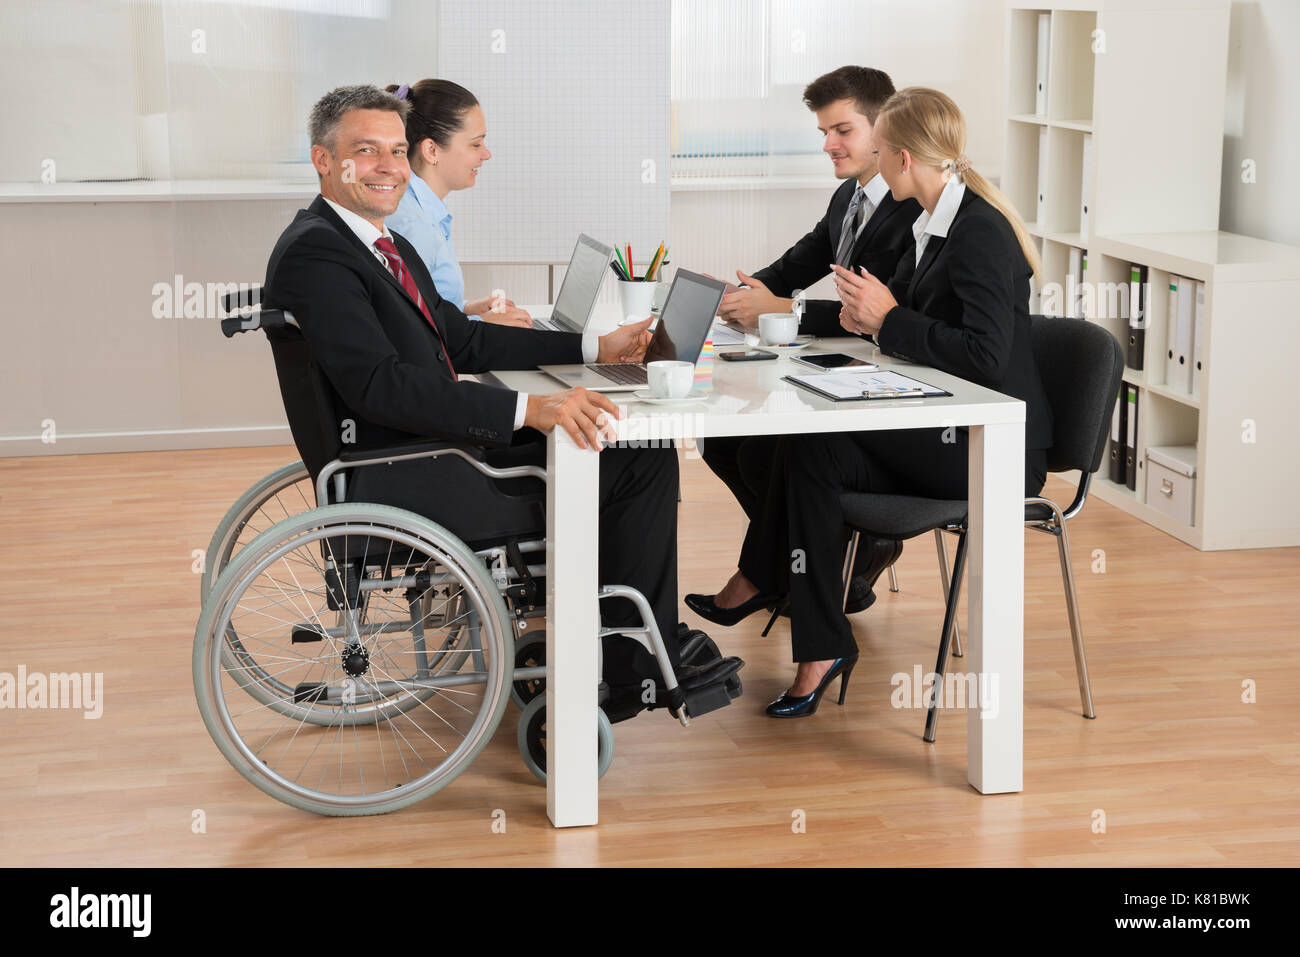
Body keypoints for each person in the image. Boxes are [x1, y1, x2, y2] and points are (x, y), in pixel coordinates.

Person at [264, 85, 682, 715]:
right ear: (324, 160)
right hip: (408, 472)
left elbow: (457, 339)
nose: (388, 166)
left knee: (625, 446)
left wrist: (596, 346)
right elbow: (378, 386)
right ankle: (632, 670)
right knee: (640, 457)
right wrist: (526, 410)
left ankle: (623, 648)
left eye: (397, 151)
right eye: (366, 151)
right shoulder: (319, 253)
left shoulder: (376, 241)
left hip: (422, 451)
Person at [687, 87, 1053, 718]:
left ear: (904, 157)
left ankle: (767, 587)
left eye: (879, 150)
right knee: (809, 449)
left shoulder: (979, 234)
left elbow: (985, 357)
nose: (873, 164)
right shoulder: (934, 222)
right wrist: (867, 314)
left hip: (987, 444)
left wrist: (887, 319)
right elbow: (900, 317)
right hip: (940, 417)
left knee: (808, 446)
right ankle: (819, 641)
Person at [699, 66, 921, 615]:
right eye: (824, 132)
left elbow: (882, 309)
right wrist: (746, 294)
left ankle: (841, 558)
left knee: (780, 450)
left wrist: (786, 309)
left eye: (842, 130)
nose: (828, 144)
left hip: (886, 379)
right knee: (728, 441)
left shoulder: (914, 205)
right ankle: (811, 563)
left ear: (884, 129)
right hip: (846, 364)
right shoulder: (849, 196)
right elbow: (799, 261)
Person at [383, 79, 532, 327]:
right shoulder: (412, 226)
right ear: (431, 151)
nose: (486, 154)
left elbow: (425, 305)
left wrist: (466, 311)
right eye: (476, 144)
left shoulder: (422, 209)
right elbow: (411, 329)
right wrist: (483, 323)